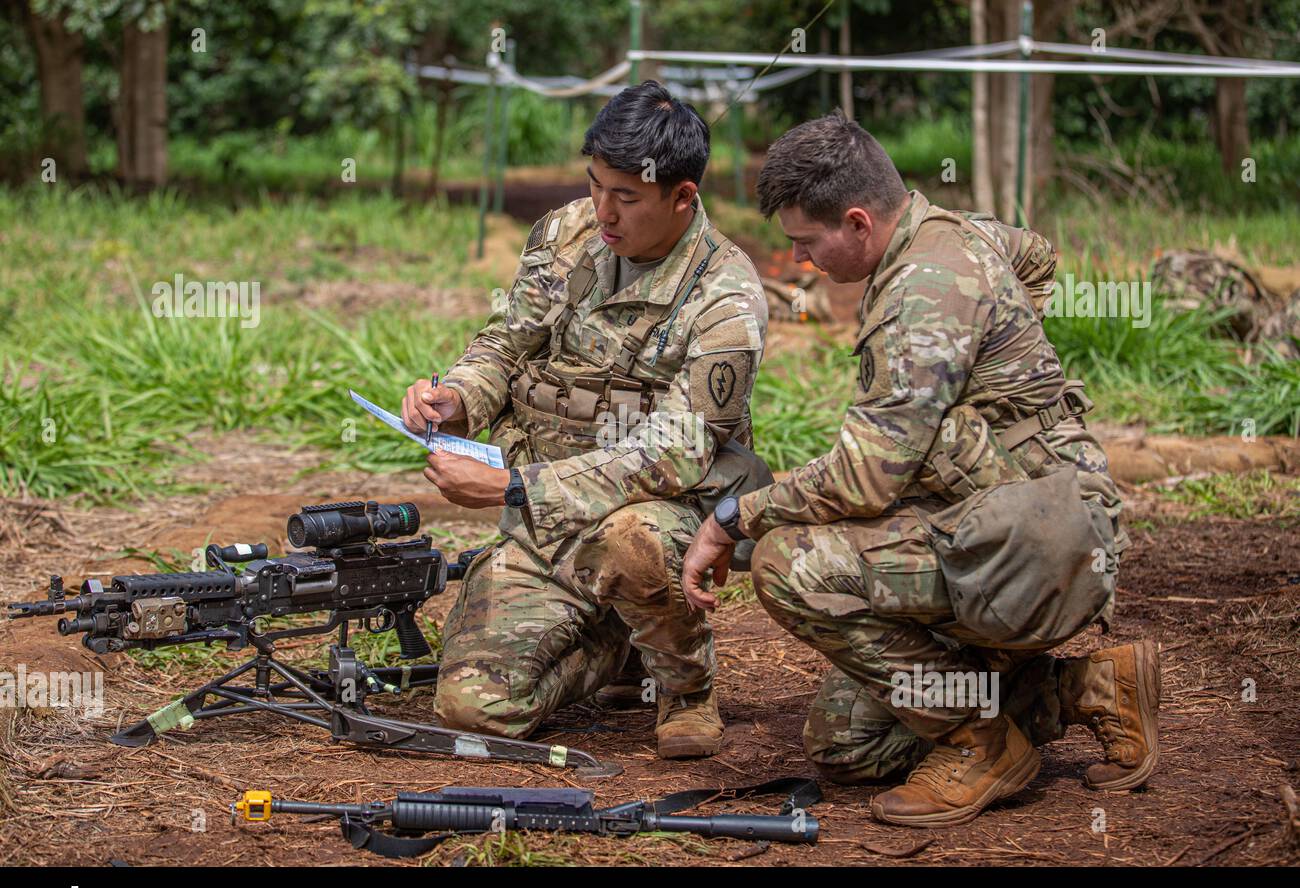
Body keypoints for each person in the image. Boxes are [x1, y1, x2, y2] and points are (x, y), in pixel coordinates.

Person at [681, 112, 1159, 826]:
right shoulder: (945, 228)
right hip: (1012, 510)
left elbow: (864, 479)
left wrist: (731, 519)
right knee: (848, 746)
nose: (805, 261)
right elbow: (1037, 256)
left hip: (1039, 534)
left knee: (789, 563)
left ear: (857, 222)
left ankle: (980, 744)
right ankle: (1085, 691)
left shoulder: (921, 290)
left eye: (807, 243)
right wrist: (998, 388)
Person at [402, 81, 769, 759]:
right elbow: (508, 342)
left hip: (654, 514)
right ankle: (616, 644)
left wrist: (518, 488)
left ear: (681, 196)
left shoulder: (727, 296)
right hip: (549, 524)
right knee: (472, 707)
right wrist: (456, 396)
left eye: (626, 196)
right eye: (595, 184)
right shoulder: (566, 233)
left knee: (631, 537)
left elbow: (676, 452)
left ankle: (684, 684)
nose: (602, 210)